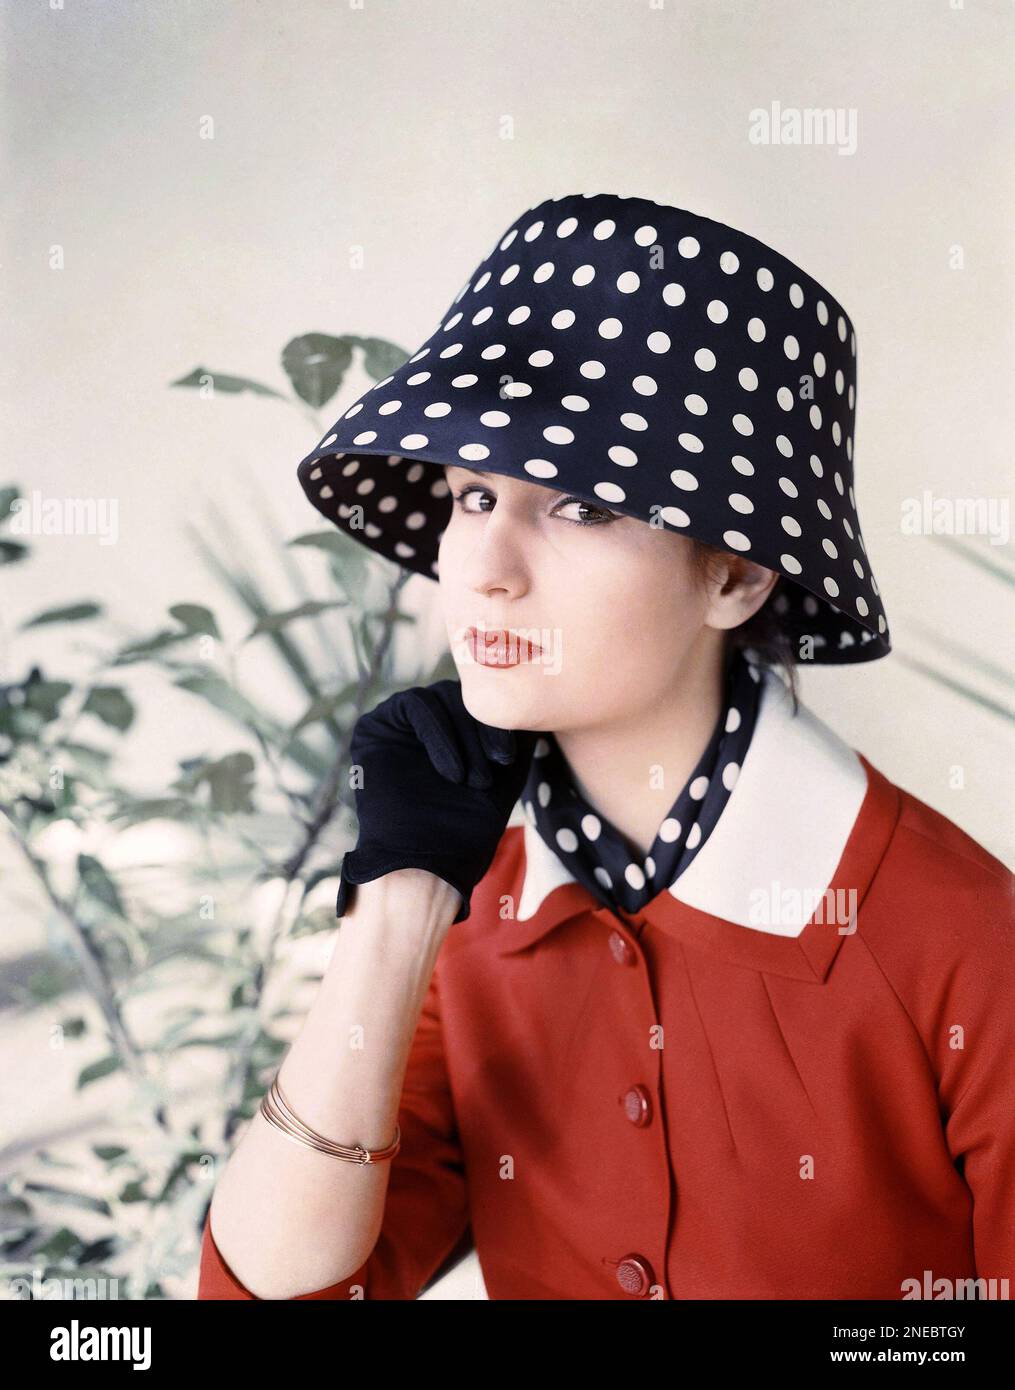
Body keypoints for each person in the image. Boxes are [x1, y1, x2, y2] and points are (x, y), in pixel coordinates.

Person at [197, 193, 1014, 1300]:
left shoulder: (960, 938)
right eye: (472, 493)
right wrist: (395, 904)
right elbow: (277, 1294)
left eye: (579, 506)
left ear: (733, 572)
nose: (484, 565)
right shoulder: (470, 919)